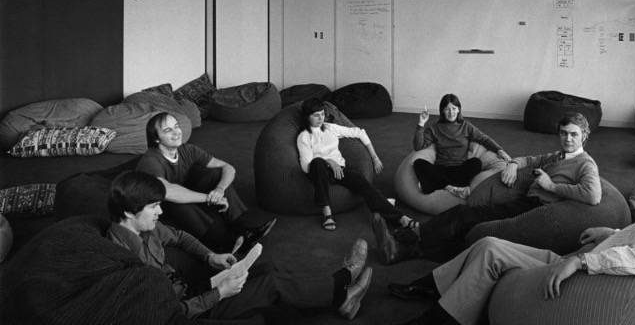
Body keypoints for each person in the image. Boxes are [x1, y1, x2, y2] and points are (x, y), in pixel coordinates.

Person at [388, 166, 635, 325]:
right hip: (573, 257)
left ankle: (439, 319)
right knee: (487, 242)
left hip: (574, 276)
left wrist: (580, 262)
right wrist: (611, 231)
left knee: (491, 253)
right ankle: (431, 287)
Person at [107, 170, 374, 321]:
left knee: (266, 268)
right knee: (269, 284)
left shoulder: (145, 227)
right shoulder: (123, 263)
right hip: (194, 311)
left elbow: (179, 237)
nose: (161, 212)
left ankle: (338, 297)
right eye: (154, 206)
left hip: (191, 290)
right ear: (129, 211)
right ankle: (342, 287)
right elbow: (170, 314)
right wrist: (219, 293)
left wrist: (211, 256)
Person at [374, 112, 601, 264]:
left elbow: (593, 195)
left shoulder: (585, 164)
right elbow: (529, 160)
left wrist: (551, 186)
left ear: (584, 136)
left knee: (466, 216)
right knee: (469, 224)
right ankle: (405, 249)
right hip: (524, 201)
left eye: (574, 134)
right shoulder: (558, 156)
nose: (568, 139)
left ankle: (409, 235)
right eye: (564, 133)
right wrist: (513, 164)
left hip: (535, 210)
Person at [137, 112, 273, 254]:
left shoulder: (187, 150)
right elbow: (167, 191)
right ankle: (224, 243)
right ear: (156, 139)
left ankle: (244, 230)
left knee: (216, 174)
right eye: (167, 130)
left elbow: (228, 168)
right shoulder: (150, 160)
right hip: (160, 207)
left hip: (186, 192)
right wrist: (209, 198)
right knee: (177, 202)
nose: (176, 132)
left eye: (176, 126)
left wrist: (219, 190)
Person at [297, 98, 418, 231]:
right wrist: (329, 162)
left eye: (322, 114)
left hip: (340, 170)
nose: (321, 118)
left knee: (362, 182)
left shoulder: (330, 128)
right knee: (317, 162)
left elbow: (359, 132)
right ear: (307, 117)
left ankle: (400, 218)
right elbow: (306, 166)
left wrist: (375, 157)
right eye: (316, 115)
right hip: (319, 172)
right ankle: (327, 214)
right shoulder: (304, 136)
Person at [413, 94, 512, 199]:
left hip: (460, 169)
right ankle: (450, 187)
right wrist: (421, 123)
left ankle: (434, 184)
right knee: (418, 163)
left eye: (454, 108)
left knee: (476, 163)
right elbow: (418, 146)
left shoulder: (466, 126)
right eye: (447, 109)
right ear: (442, 111)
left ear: (458, 110)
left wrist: (499, 150)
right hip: (441, 168)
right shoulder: (434, 128)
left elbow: (484, 139)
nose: (451, 112)